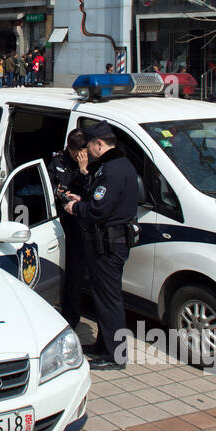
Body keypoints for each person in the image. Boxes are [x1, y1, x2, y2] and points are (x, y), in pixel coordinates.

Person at [61, 122, 139, 369]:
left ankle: (115, 356)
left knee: (109, 301)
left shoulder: (111, 170)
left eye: (90, 147)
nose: (88, 152)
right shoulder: (118, 165)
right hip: (107, 242)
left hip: (108, 245)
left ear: (99, 144)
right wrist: (82, 197)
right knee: (104, 298)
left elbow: (98, 209)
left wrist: (76, 207)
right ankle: (105, 345)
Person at [48, 129, 92, 333]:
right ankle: (67, 312)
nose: (80, 156)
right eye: (76, 153)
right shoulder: (58, 161)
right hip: (61, 219)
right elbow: (53, 188)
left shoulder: (91, 164)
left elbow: (92, 192)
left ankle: (73, 314)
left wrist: (84, 171)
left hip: (82, 223)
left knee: (76, 272)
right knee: (65, 269)